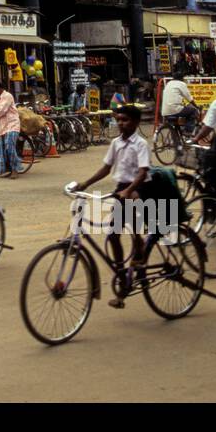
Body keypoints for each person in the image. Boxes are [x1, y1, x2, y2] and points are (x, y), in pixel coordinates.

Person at [73, 105, 158, 308]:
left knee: (132, 219)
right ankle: (121, 273)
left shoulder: (141, 144)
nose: (121, 123)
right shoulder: (116, 143)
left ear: (136, 123)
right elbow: (106, 168)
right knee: (112, 235)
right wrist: (85, 184)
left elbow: (143, 172)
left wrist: (129, 191)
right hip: (122, 187)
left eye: (126, 120)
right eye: (119, 119)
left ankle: (139, 254)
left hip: (141, 186)